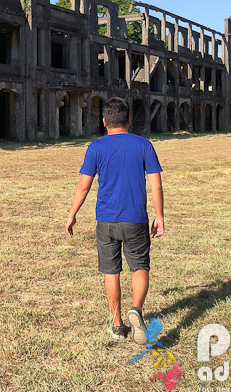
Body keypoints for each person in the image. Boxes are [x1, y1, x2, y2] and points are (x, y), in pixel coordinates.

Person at [64, 97, 165, 343]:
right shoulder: (144, 145)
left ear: (104, 122)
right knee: (140, 266)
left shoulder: (95, 148)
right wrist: (159, 216)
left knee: (112, 271)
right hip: (136, 219)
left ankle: (118, 323)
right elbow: (156, 184)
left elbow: (83, 186)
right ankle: (137, 310)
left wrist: (72, 214)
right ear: (129, 120)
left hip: (106, 221)